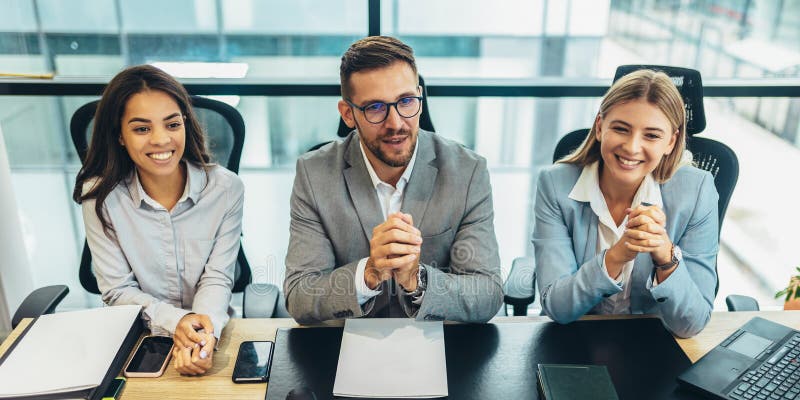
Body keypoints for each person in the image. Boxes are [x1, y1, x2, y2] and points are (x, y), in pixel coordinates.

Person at [284, 36, 503, 323]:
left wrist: (417, 278)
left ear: (420, 99)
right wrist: (369, 273)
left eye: (406, 101)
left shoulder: (467, 171)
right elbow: (300, 295)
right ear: (348, 114)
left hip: (440, 343)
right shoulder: (314, 174)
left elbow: (487, 293)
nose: (396, 123)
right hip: (345, 343)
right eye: (375, 107)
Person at [73, 65, 244, 375]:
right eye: (142, 129)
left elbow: (217, 277)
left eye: (172, 124)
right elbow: (117, 290)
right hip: (135, 339)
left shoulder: (226, 189)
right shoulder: (99, 196)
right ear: (120, 136)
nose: (161, 140)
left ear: (186, 125)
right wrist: (174, 321)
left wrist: (201, 335)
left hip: (209, 332)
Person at [533, 69, 718, 338]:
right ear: (599, 127)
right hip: (573, 339)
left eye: (652, 135)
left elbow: (691, 323)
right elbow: (558, 308)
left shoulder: (697, 191)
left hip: (652, 342)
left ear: (671, 141)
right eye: (621, 129)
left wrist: (665, 256)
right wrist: (618, 255)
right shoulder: (554, 184)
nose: (632, 147)